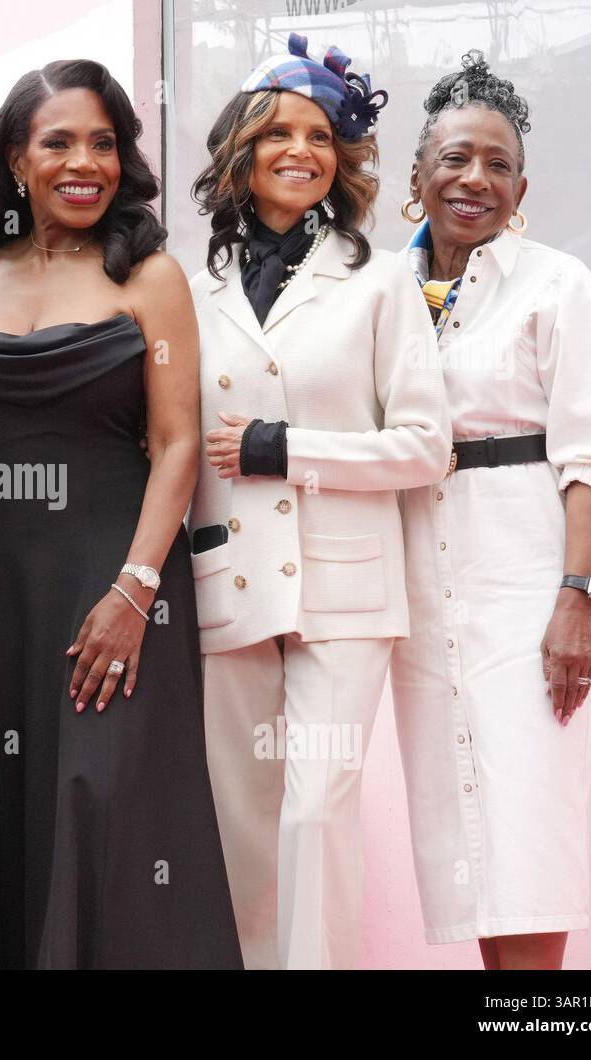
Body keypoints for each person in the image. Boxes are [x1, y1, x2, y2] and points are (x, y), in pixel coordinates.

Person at [0, 58, 240, 969]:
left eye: (103, 143)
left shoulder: (150, 277)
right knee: (11, 804)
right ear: (16, 161)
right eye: (58, 141)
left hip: (119, 573)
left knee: (108, 807)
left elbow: (178, 443)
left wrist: (136, 590)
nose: (85, 162)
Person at [188, 33, 451, 969]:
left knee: (317, 804)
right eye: (278, 133)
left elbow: (427, 447)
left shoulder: (382, 284)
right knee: (244, 817)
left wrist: (284, 449)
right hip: (228, 581)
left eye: (321, 135)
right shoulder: (194, 287)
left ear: (341, 159)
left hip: (345, 590)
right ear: (240, 153)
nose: (300, 150)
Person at [390, 50, 591, 969]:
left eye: (498, 164)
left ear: (522, 186)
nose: (476, 179)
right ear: (415, 180)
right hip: (422, 602)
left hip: (527, 591)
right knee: (469, 851)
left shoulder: (559, 287)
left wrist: (576, 599)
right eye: (456, 159)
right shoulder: (381, 293)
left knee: (529, 843)